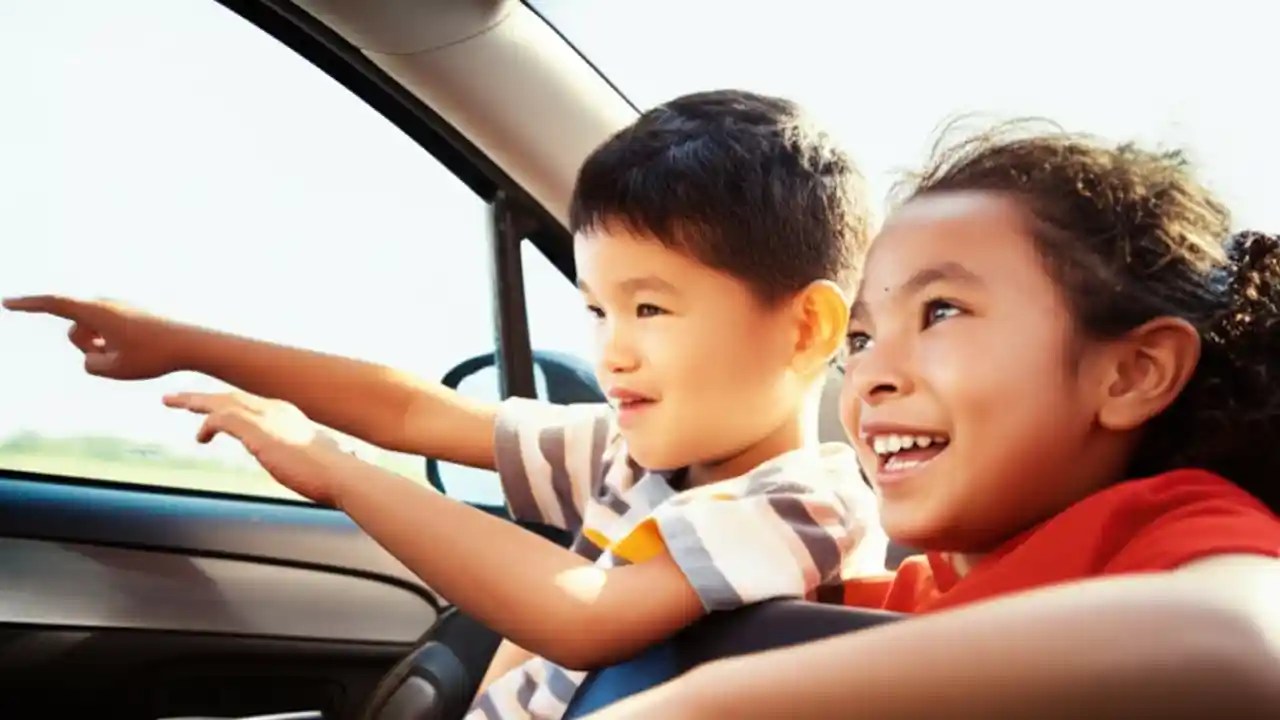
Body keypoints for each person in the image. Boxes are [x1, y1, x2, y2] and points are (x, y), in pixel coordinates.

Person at [3, 90, 887, 719]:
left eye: (650, 308)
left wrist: (338, 471)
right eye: (596, 309)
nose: (611, 348)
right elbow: (414, 413)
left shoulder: (809, 503)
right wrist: (186, 342)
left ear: (807, 328)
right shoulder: (630, 454)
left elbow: (582, 616)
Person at [576, 122, 1280, 719]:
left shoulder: (1163, 526)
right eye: (860, 339)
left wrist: (706, 703)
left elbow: (1246, 639)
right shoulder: (914, 597)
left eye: (941, 312)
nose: (871, 374)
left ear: (1132, 374)